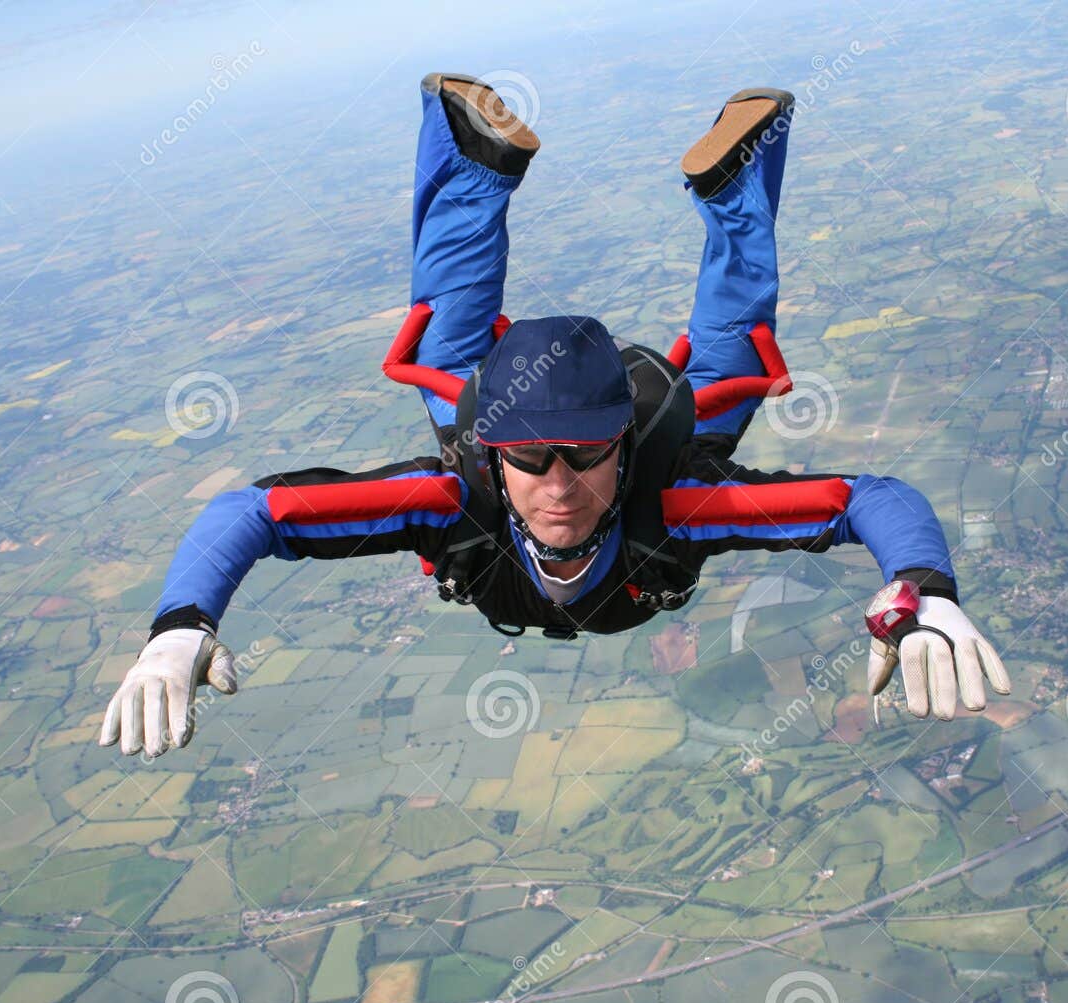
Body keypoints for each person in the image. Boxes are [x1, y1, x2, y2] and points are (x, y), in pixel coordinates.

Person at [98, 74, 1011, 760]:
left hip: (625, 442)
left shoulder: (671, 496)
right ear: (500, 461)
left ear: (618, 445)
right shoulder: (472, 485)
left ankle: (469, 167)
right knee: (680, 362)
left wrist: (925, 592)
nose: (558, 483)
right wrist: (182, 622)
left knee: (496, 366)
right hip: (523, 435)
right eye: (531, 458)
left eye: (581, 453)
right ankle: (710, 186)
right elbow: (249, 515)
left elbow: (870, 498)